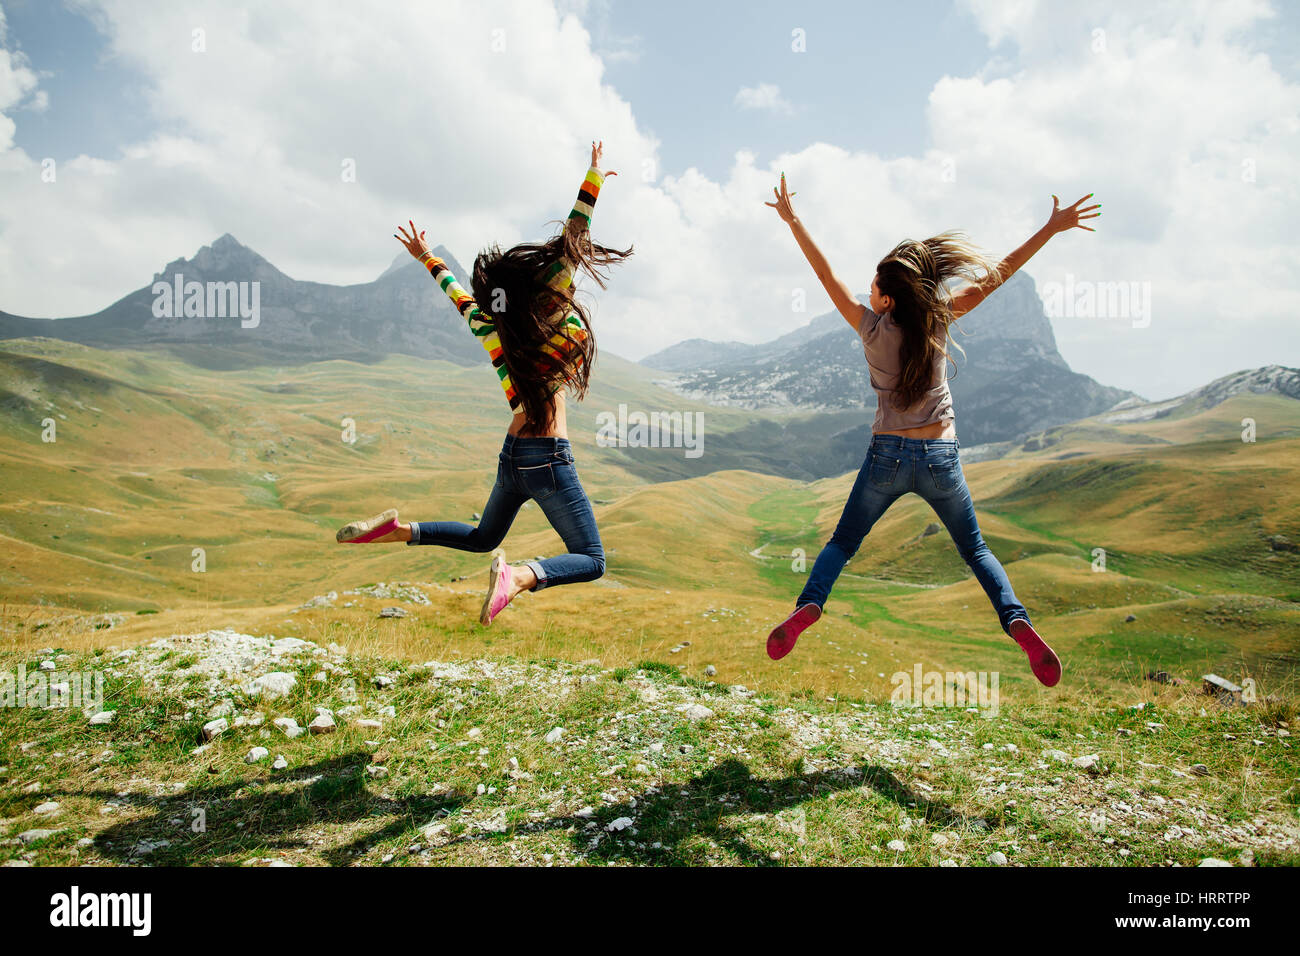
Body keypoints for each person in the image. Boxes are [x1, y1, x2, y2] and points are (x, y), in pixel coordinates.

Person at [762, 172, 1100, 686]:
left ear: (886, 299)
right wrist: (1050, 229)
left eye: (874, 285)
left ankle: (810, 605)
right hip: (940, 457)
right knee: (977, 551)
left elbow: (823, 273)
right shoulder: (938, 319)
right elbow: (994, 278)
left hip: (885, 458)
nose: (867, 289)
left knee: (843, 543)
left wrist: (793, 221)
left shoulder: (868, 327)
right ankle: (1016, 620)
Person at [335, 141, 632, 626]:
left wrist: (427, 256)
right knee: (592, 559)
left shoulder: (491, 326)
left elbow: (458, 296)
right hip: (548, 455)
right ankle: (518, 578)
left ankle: (396, 531)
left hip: (513, 454)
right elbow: (575, 233)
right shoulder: (552, 306)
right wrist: (593, 176)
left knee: (482, 538)